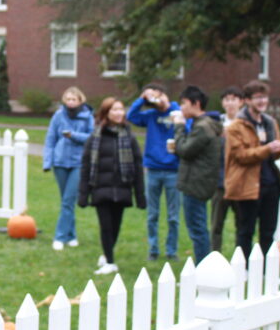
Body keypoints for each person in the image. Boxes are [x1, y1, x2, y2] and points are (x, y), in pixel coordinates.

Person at [77, 98, 146, 275]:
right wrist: (83, 194)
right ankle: (110, 262)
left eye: (121, 109)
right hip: (101, 188)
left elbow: (138, 166)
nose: (118, 113)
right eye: (114, 110)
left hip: (122, 189)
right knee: (106, 226)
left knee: (116, 226)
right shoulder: (96, 136)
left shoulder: (129, 137)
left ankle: (106, 254)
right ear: (106, 113)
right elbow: (86, 165)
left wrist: (140, 195)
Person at [224, 80, 280, 256]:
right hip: (248, 186)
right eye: (257, 98)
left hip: (271, 185)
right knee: (245, 231)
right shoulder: (236, 127)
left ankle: (264, 270)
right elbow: (240, 156)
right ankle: (244, 268)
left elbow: (272, 155)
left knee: (268, 232)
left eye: (264, 97)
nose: (262, 101)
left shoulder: (270, 123)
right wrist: (267, 148)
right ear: (247, 100)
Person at [127, 84, 181, 261]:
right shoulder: (150, 116)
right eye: (153, 97)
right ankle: (153, 249)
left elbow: (187, 124)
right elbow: (131, 116)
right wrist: (142, 99)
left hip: (173, 170)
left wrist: (169, 105)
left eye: (159, 96)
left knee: (173, 216)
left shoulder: (176, 112)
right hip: (153, 169)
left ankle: (171, 250)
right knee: (153, 214)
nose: (157, 100)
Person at [172, 86, 221, 262]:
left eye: (183, 103)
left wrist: (178, 128)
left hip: (195, 184)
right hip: (200, 182)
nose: (180, 108)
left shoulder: (202, 127)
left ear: (196, 104)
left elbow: (185, 150)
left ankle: (203, 270)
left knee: (197, 229)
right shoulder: (205, 125)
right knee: (199, 228)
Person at [43, 87, 94, 250]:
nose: (71, 102)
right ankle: (72, 235)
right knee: (67, 201)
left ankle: (59, 237)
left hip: (78, 163)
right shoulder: (58, 115)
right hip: (60, 162)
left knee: (68, 201)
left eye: (74, 99)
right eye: (68, 99)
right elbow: (50, 139)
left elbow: (92, 138)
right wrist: (47, 162)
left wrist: (73, 135)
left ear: (80, 101)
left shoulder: (87, 117)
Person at [211, 86, 244, 252]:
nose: (230, 103)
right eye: (227, 99)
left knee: (242, 224)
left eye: (234, 99)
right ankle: (214, 255)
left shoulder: (246, 123)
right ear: (223, 103)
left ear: (241, 102)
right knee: (216, 224)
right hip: (220, 181)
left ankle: (241, 256)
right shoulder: (216, 124)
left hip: (240, 183)